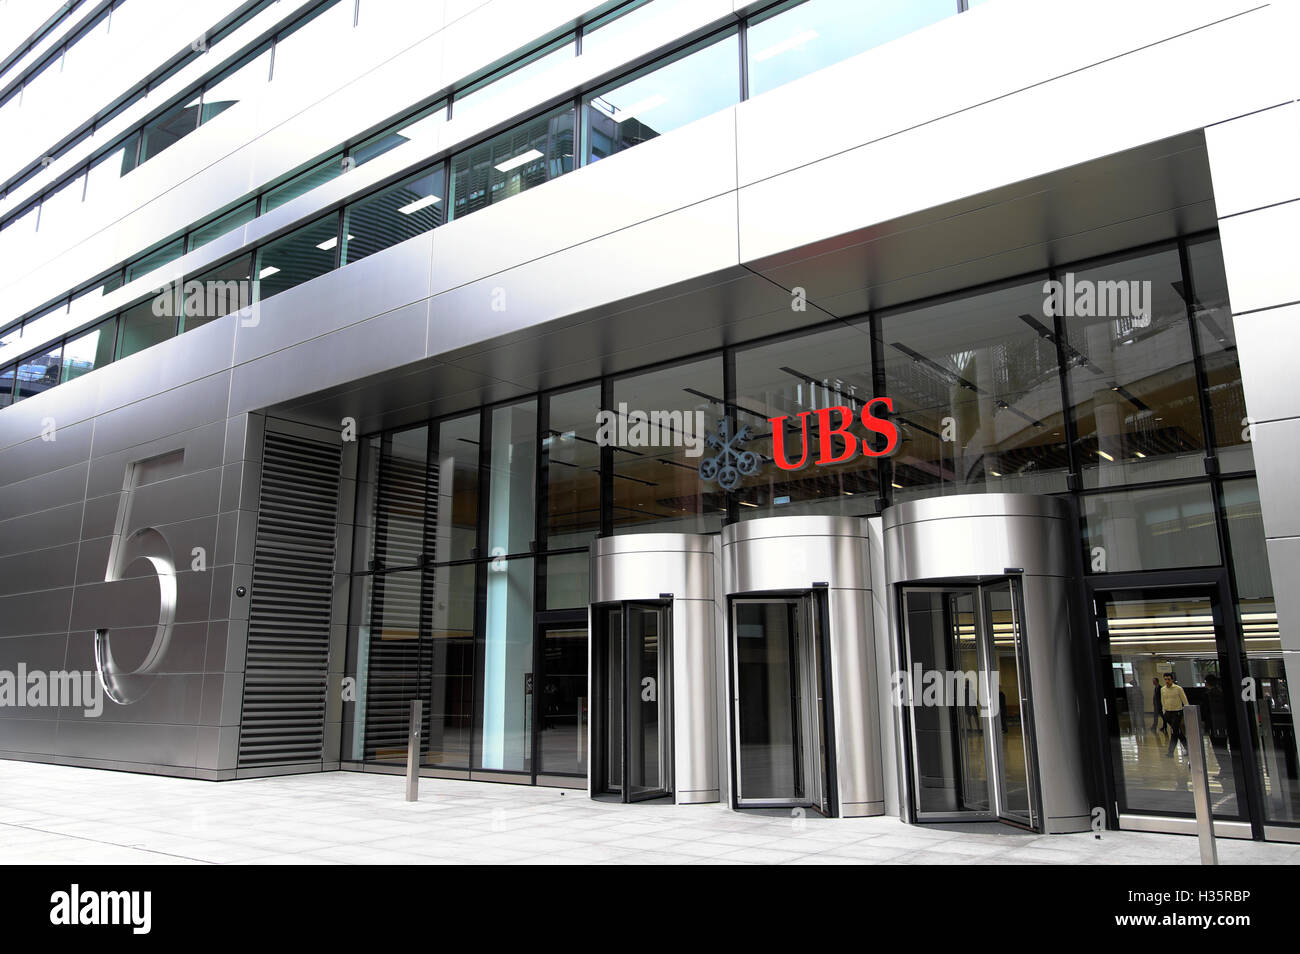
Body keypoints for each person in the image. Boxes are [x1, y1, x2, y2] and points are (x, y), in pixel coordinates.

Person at [1161, 672, 1190, 759]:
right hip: (1168, 713)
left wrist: (1188, 710)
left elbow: (1185, 700)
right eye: (1165, 679)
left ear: (1172, 679)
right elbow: (1163, 700)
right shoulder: (1163, 689)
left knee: (1174, 732)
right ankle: (1188, 748)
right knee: (1178, 732)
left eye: (1168, 679)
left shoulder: (1178, 689)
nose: (1167, 681)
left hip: (1177, 712)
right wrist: (1164, 711)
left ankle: (1170, 752)